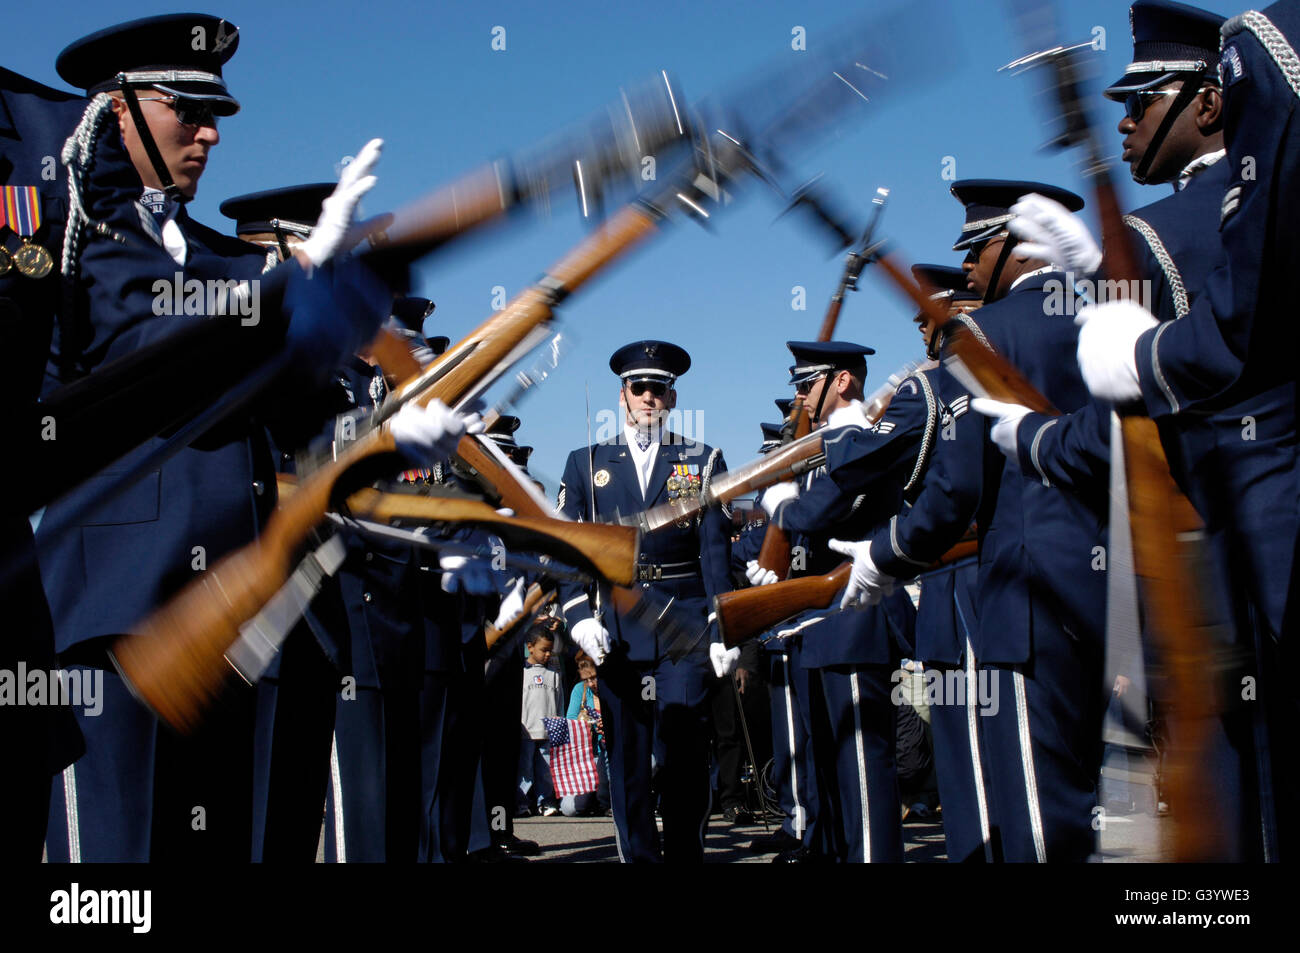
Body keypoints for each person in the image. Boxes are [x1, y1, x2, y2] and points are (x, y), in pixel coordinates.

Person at [833, 180, 1111, 862]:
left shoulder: (983, 336)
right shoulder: (1110, 314)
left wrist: (885, 554)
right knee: (1091, 793)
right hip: (1110, 590)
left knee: (1034, 813)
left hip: (1025, 591)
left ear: (1016, 250)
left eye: (978, 248)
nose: (967, 267)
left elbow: (957, 484)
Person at [556, 339, 735, 862]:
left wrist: (724, 626)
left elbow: (714, 551)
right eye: (640, 388)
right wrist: (575, 616)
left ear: (673, 399)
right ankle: (638, 856)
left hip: (684, 627)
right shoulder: (585, 462)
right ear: (623, 395)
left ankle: (684, 854)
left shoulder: (702, 459)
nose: (649, 398)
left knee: (683, 754)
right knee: (628, 759)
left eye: (660, 389)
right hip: (616, 627)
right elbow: (569, 550)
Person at [753, 340, 918, 862]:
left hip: (853, 621)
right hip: (814, 623)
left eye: (807, 384)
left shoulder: (859, 439)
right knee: (823, 768)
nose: (799, 396)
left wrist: (787, 507)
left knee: (862, 772)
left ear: (841, 381)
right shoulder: (823, 443)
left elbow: (833, 508)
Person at [519, 623, 564, 816]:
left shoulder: (554, 675)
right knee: (525, 771)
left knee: (546, 771)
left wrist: (559, 725)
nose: (547, 654)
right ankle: (521, 803)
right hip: (526, 731)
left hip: (548, 731)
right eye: (543, 650)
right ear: (530, 647)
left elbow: (559, 701)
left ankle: (545, 802)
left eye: (550, 651)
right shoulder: (522, 672)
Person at [561, 652, 612, 816]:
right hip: (589, 756)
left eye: (594, 678)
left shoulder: (613, 690)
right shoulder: (580, 691)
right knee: (570, 808)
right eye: (586, 679)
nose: (591, 683)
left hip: (611, 753)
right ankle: (595, 797)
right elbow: (569, 724)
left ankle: (604, 798)